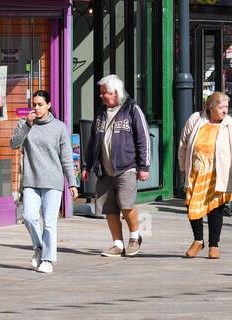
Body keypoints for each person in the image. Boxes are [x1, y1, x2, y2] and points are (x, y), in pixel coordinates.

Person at [9, 90, 80, 275]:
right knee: (29, 216)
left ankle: (47, 259)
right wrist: (27, 125)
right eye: (34, 104)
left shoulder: (59, 128)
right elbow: (14, 144)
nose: (36, 108)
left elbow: (66, 157)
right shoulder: (25, 124)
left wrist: (72, 183)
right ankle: (39, 247)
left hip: (53, 182)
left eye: (40, 104)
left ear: (48, 105)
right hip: (31, 181)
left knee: (49, 222)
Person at [82, 74, 151, 258]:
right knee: (109, 209)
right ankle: (117, 244)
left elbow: (143, 139)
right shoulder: (100, 112)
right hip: (104, 170)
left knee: (126, 205)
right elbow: (92, 141)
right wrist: (86, 166)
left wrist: (144, 166)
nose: (101, 96)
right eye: (101, 92)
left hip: (126, 167)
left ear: (115, 92)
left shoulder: (132, 110)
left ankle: (135, 238)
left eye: (104, 92)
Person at [178, 92, 232, 259]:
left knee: (215, 209)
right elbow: (183, 144)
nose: (225, 110)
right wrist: (183, 167)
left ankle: (214, 244)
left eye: (226, 107)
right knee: (192, 207)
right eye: (221, 107)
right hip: (196, 173)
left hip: (218, 174)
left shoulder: (230, 125)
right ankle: (198, 240)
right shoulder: (196, 120)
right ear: (211, 107)